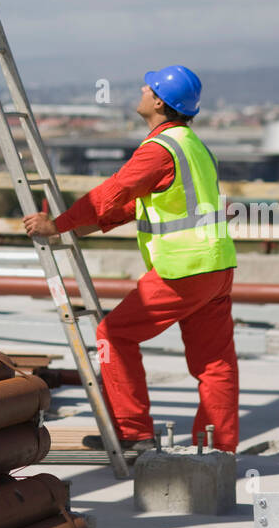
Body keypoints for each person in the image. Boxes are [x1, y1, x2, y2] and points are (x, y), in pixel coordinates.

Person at [24, 65, 238, 454]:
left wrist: (56, 223)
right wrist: (83, 227)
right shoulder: (192, 144)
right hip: (217, 268)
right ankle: (218, 450)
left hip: (183, 270)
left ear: (159, 102)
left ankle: (134, 435)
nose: (141, 89)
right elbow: (138, 203)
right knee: (214, 365)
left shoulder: (159, 150)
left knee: (113, 335)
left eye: (148, 87)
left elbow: (113, 191)